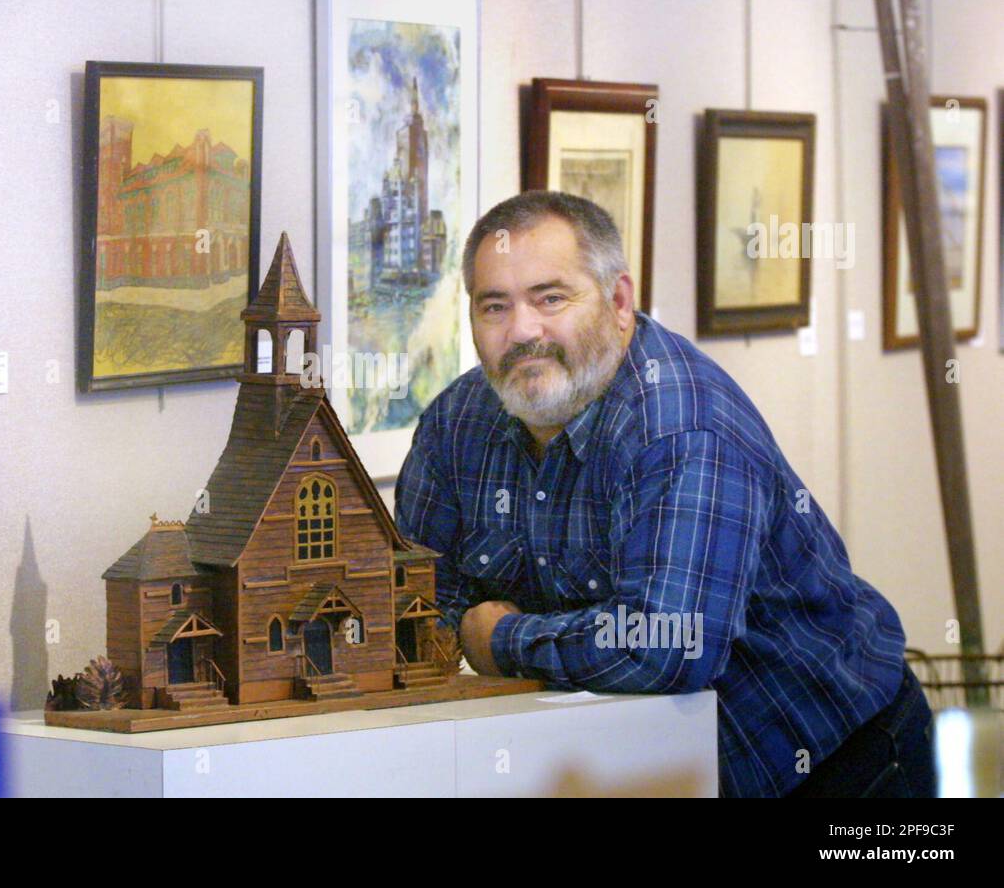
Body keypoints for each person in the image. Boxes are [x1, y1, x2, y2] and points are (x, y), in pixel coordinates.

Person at [393, 190, 936, 797]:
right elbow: (412, 603)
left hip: (839, 760)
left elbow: (669, 645)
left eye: (551, 298)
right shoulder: (454, 424)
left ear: (619, 301)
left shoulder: (682, 426)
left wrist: (502, 641)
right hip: (653, 770)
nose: (523, 330)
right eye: (495, 306)